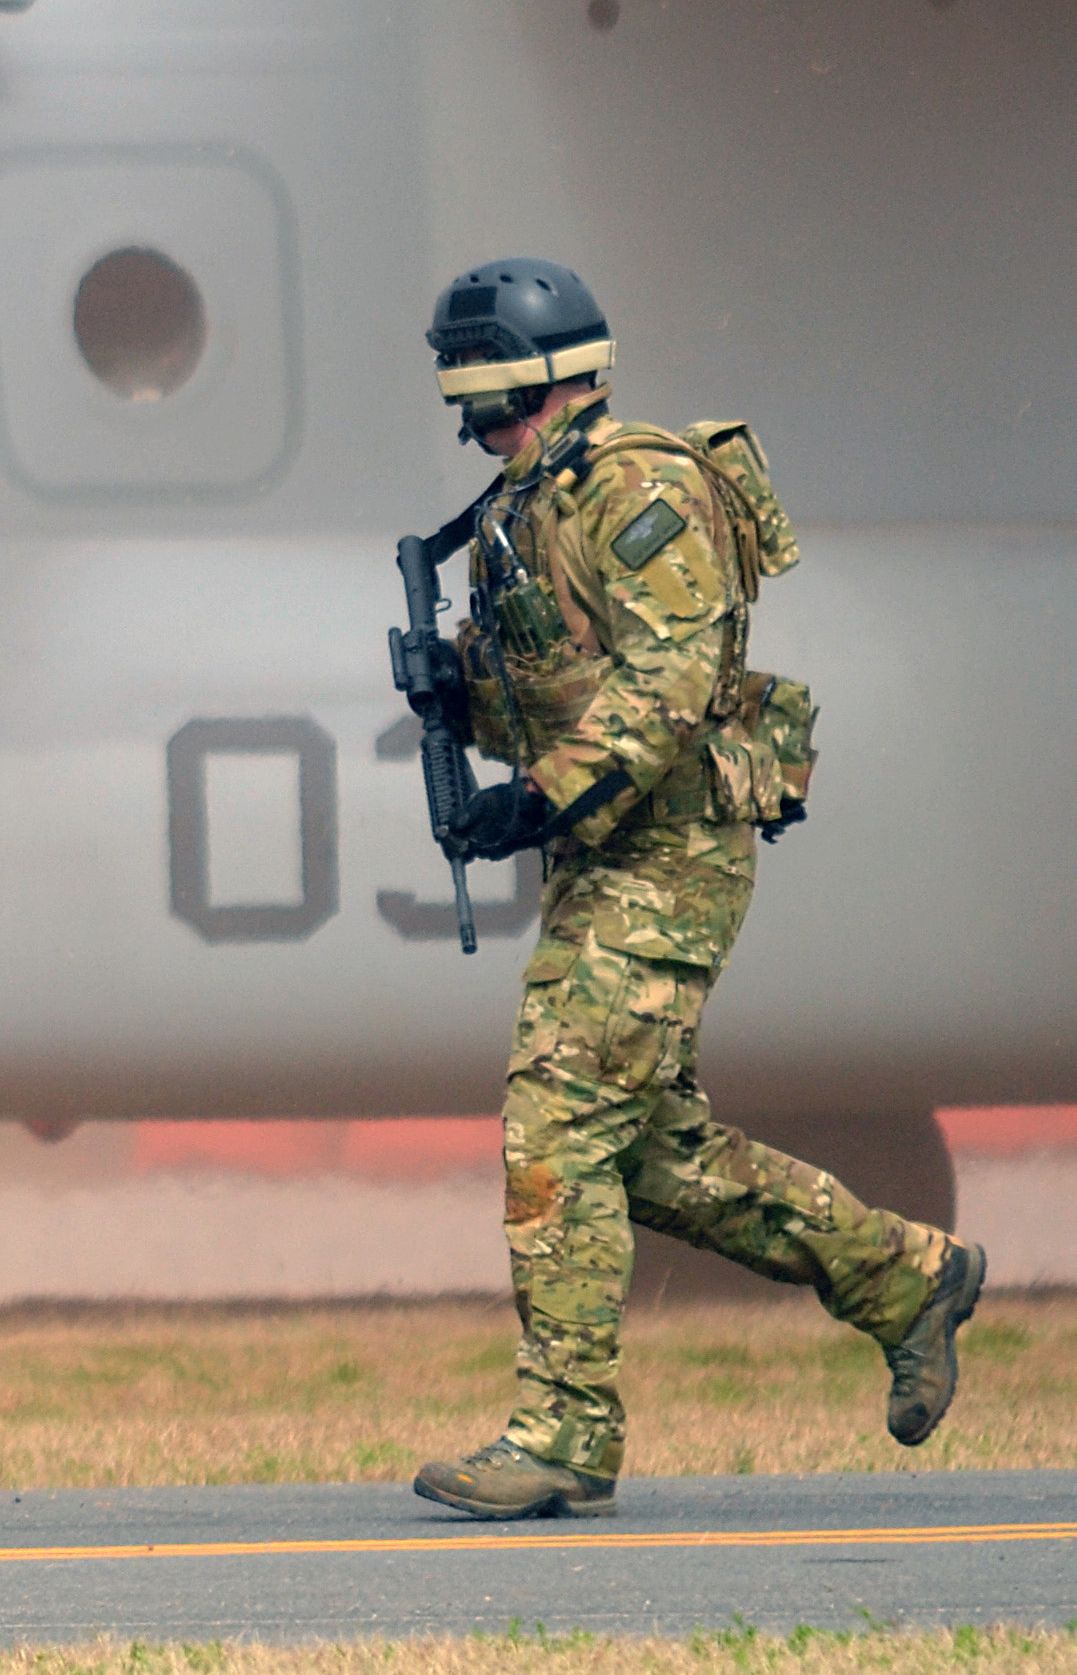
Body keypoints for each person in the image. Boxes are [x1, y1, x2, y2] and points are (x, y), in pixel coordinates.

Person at [408, 260, 988, 1519]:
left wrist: (534, 797)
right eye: (471, 418)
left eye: (498, 411)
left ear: (557, 390)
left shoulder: (642, 489)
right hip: (605, 850)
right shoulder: (533, 508)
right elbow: (567, 675)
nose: (484, 437)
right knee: (653, 1155)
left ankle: (563, 1429)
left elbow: (661, 692)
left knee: (555, 1116)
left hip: (668, 849)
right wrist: (461, 696)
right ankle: (903, 1279)